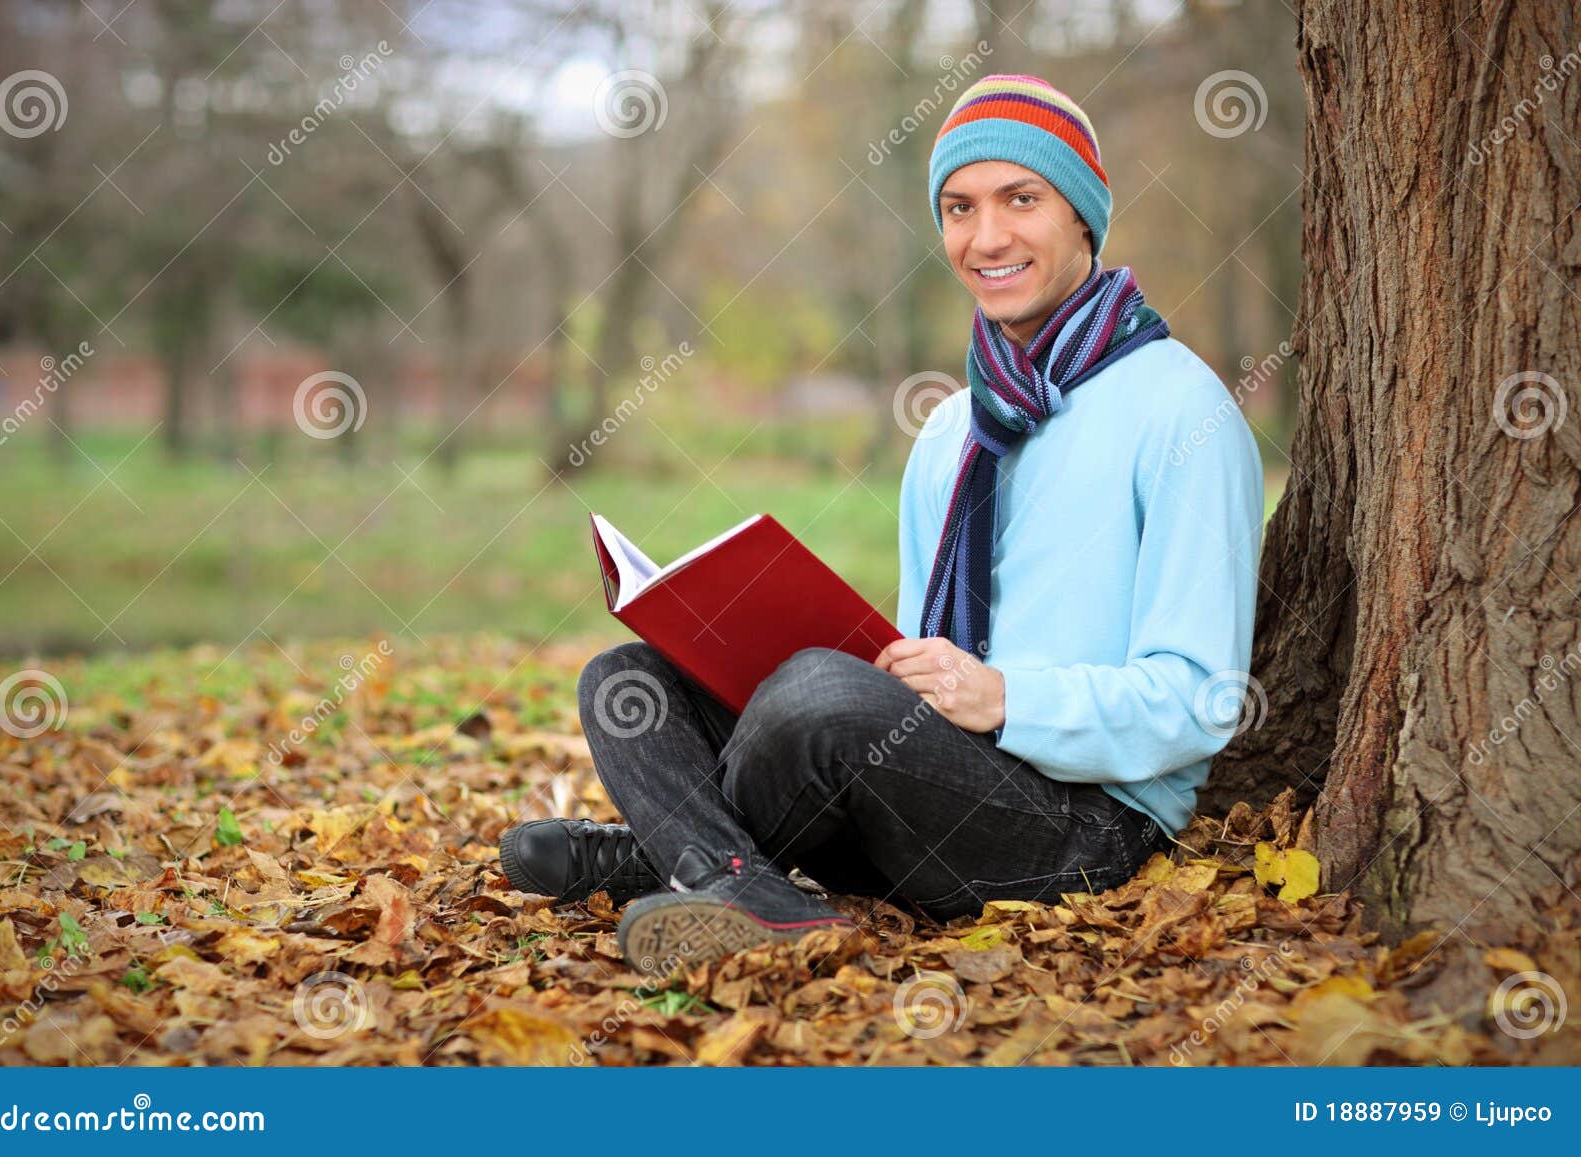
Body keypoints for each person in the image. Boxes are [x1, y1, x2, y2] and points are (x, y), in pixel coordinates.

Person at [498, 74, 1264, 974]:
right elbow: (917, 657)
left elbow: (1200, 696)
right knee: (627, 683)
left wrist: (1006, 696)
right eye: (958, 207)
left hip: (1082, 828)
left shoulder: (1182, 411)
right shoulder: (950, 429)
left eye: (1022, 199)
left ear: (1083, 216)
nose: (987, 237)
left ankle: (670, 859)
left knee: (818, 696)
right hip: (928, 789)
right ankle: (747, 889)